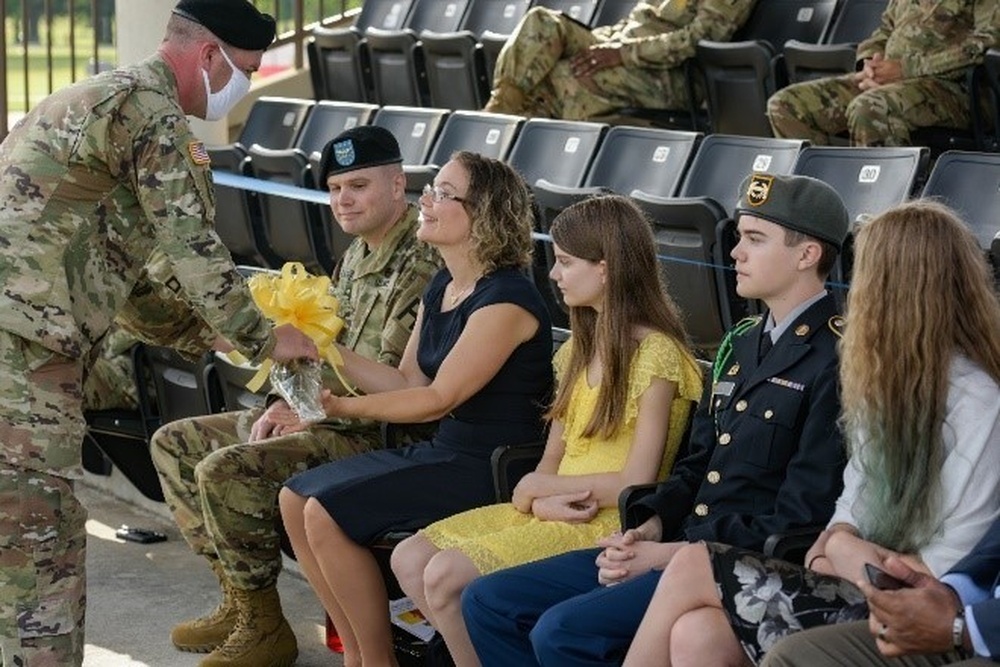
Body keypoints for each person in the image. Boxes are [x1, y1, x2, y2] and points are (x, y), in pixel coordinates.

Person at [0, 1, 319, 665]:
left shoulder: (100, 96)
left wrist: (208, 336)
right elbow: (192, 244)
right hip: (24, 344)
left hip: (20, 328)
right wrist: (263, 336)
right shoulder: (152, 111)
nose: (247, 86)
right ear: (207, 56)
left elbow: (124, 274)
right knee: (40, 540)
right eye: (246, 70)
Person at [462, 172, 852, 666]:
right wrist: (647, 527)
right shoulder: (746, 344)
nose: (735, 253)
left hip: (738, 564)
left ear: (807, 255)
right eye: (738, 238)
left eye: (755, 239)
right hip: (676, 542)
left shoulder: (834, 358)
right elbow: (697, 467)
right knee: (489, 601)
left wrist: (668, 555)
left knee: (562, 632)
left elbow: (799, 517)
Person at [620, 200, 1000, 667]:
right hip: (863, 580)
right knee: (698, 634)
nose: (857, 292)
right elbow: (844, 517)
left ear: (897, 292)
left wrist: (841, 548)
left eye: (868, 277)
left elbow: (947, 567)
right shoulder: (886, 384)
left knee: (692, 564)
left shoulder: (979, 400)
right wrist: (840, 543)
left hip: (920, 611)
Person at [149, 125, 441, 667]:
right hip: (327, 416)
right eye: (333, 190)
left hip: (379, 434)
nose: (343, 200)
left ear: (399, 185)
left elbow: (384, 379)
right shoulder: (358, 255)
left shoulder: (421, 263)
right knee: (177, 442)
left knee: (225, 469)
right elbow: (322, 352)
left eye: (358, 186)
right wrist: (289, 405)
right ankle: (242, 602)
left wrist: (308, 412)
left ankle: (264, 627)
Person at [390, 195, 704, 665]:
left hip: (604, 521)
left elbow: (636, 482)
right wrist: (537, 495)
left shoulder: (656, 354)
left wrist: (541, 488)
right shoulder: (578, 349)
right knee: (409, 559)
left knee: (444, 576)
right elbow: (551, 459)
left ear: (606, 269)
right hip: (556, 506)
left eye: (565, 262)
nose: (554, 275)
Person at [760, 517, 1000, 667]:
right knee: (790, 657)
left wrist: (966, 626)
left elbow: (796, 510)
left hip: (983, 627)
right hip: (972, 614)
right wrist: (955, 592)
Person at [767, 0, 1000, 146]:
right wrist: (869, 64)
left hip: (955, 89)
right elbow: (884, 30)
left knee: (869, 108)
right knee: (787, 105)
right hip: (888, 80)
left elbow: (985, 44)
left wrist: (906, 69)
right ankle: (820, 198)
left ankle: (885, 212)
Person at [482, 0, 757, 120]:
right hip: (624, 54)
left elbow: (700, 40)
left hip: (670, 76)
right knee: (540, 20)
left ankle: (500, 147)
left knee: (561, 75)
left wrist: (621, 53)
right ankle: (499, 108)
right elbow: (633, 25)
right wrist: (607, 44)